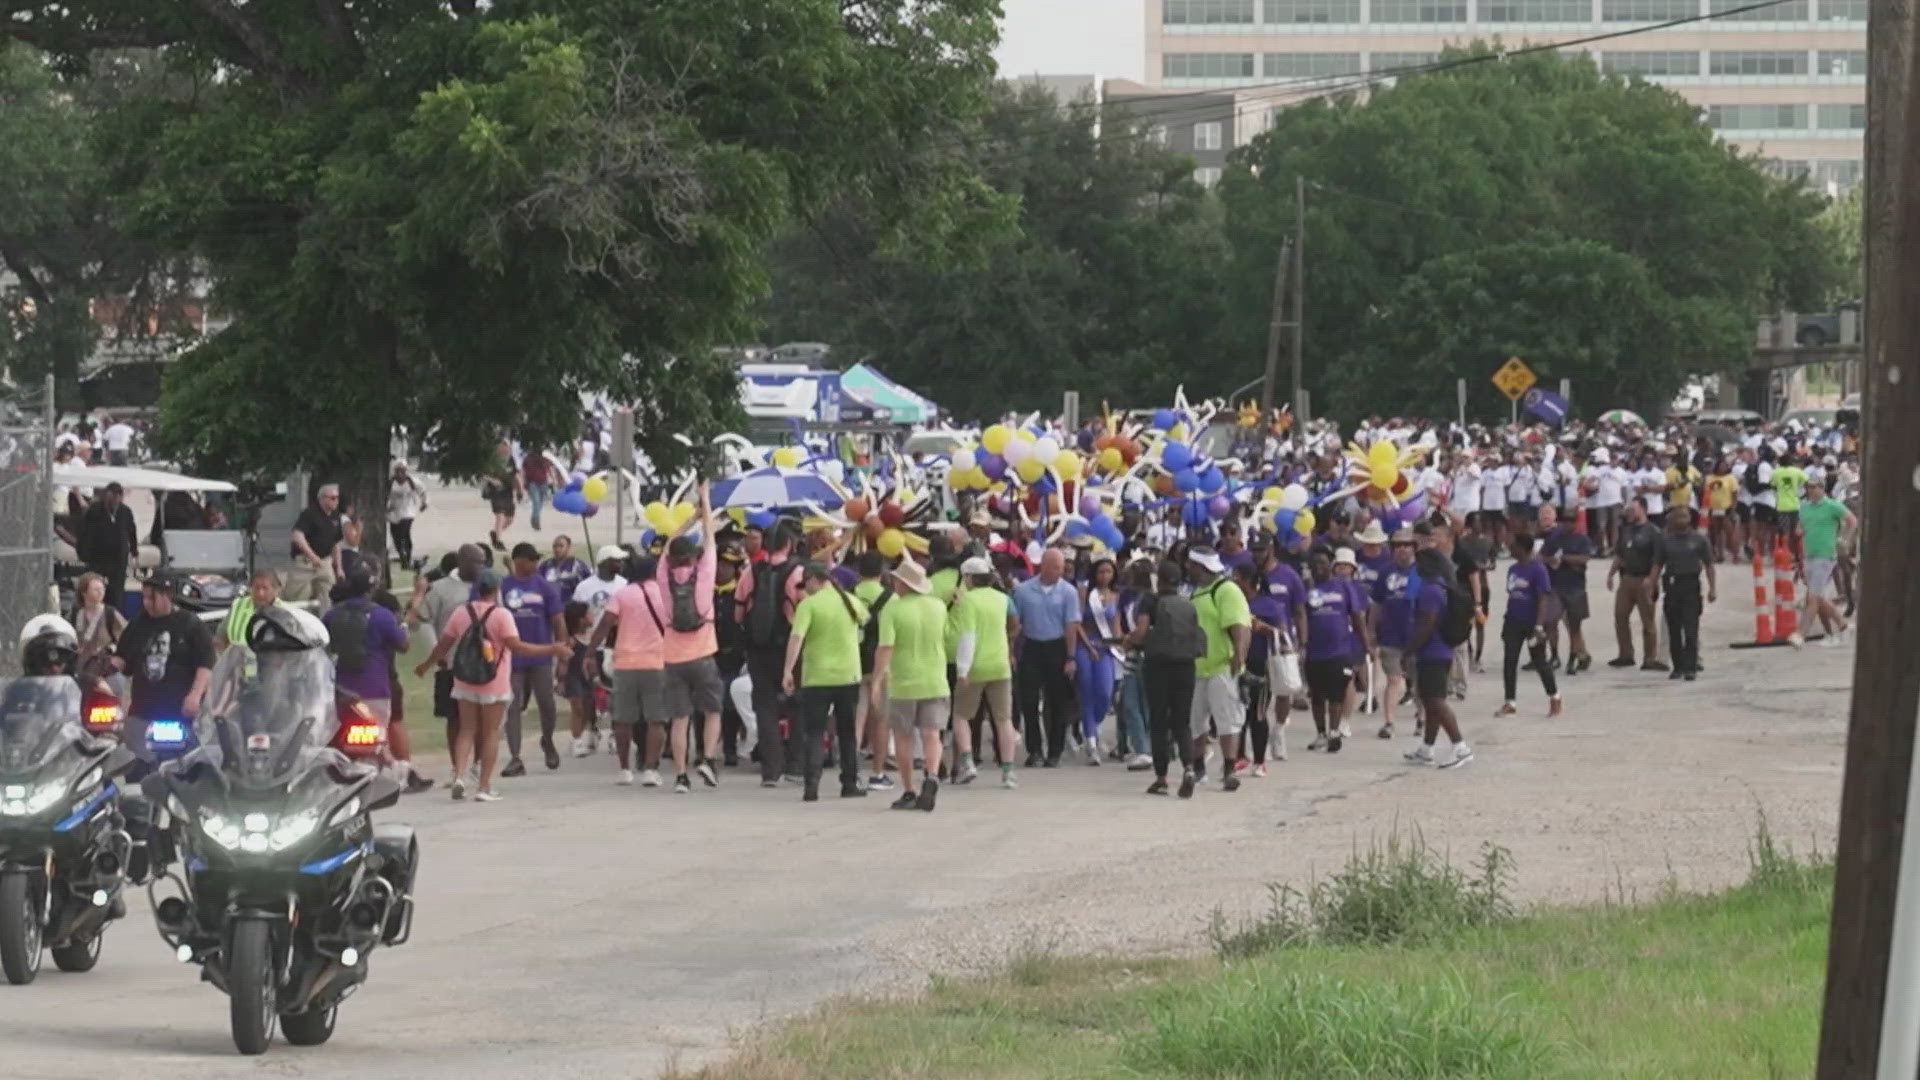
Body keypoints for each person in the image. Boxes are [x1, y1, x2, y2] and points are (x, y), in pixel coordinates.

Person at [415, 570, 569, 802]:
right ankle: (484, 786)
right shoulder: (501, 615)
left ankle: (459, 775)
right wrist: (552, 649)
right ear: (496, 591)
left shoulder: (461, 613)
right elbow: (518, 647)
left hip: (465, 679)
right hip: (493, 682)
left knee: (466, 729)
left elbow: (443, 645)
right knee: (490, 732)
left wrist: (426, 666)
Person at [656, 483, 726, 794]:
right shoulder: (705, 573)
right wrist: (706, 505)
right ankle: (708, 759)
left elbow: (670, 540)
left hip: (672, 656)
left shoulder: (663, 574)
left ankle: (681, 776)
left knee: (680, 718)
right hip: (703, 653)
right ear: (692, 558)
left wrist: (689, 519)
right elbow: (711, 536)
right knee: (712, 710)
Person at [781, 562, 870, 802]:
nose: (804, 589)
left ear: (814, 580)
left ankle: (812, 784)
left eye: (805, 584)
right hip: (848, 675)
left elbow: (797, 638)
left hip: (817, 678)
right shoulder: (851, 601)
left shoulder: (808, 605)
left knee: (815, 732)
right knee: (847, 732)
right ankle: (849, 782)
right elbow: (865, 623)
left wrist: (788, 670)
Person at [873, 560, 949, 811]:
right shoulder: (939, 607)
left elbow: (886, 647)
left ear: (904, 584)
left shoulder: (892, 610)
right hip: (935, 679)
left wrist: (877, 680)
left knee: (903, 736)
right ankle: (932, 776)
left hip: (904, 682)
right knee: (932, 734)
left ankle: (909, 790)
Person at [112, 572, 215, 758]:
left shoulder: (191, 625)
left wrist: (195, 695)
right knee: (134, 761)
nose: (146, 603)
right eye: (144, 597)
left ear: (167, 595)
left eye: (152, 598)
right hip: (143, 711)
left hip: (179, 712)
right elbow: (122, 659)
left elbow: (205, 664)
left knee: (183, 762)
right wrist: (103, 666)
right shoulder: (137, 625)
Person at [736, 520, 807, 785]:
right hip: (790, 647)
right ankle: (796, 766)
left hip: (758, 649)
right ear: (789, 544)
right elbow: (804, 611)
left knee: (764, 706)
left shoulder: (750, 572)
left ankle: (771, 770)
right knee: (795, 705)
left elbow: (738, 612)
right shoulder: (798, 573)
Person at [590, 554, 668, 786]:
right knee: (656, 720)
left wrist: (589, 652)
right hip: (656, 663)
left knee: (623, 720)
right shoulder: (664, 593)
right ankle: (651, 770)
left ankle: (624, 769)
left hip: (625, 663)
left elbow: (605, 624)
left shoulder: (622, 594)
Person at [1126, 559, 1202, 796]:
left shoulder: (1149, 600)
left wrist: (1130, 641)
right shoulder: (1187, 604)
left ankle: (1162, 778)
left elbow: (1140, 633)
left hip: (1158, 665)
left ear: (1159, 580)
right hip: (1186, 665)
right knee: (1182, 721)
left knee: (1158, 721)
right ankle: (1189, 767)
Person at [408, 545, 484, 775]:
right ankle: (456, 766)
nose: (480, 567)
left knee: (481, 716)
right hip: (450, 663)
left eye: (482, 562)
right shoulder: (440, 589)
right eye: (476, 562)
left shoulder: (487, 586)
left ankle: (478, 764)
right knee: (454, 718)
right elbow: (423, 621)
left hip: (482, 664)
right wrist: (435, 652)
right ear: (462, 562)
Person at [953, 555, 1021, 789]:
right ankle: (1009, 771)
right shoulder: (1003, 599)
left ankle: (968, 762)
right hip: (1000, 665)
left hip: (976, 667)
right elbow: (1014, 623)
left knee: (962, 716)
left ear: (970, 578)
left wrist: (963, 669)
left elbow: (967, 637)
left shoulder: (967, 601)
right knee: (1004, 720)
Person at [1186, 548, 1251, 792]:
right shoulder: (1197, 592)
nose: (1188, 569)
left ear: (1200, 566)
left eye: (1192, 565)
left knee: (1227, 723)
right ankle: (1199, 767)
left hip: (1223, 667)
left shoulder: (1226, 590)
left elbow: (1239, 626)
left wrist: (1238, 657)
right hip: (1198, 668)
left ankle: (1229, 769)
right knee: (1197, 723)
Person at [1010, 548, 1081, 768]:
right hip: (1032, 647)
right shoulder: (1023, 591)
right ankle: (1035, 749)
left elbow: (1071, 626)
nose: (1060, 571)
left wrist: (1070, 657)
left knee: (1057, 701)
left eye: (1061, 567)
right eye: (1056, 567)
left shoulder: (1068, 592)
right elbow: (1015, 624)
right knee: (1029, 702)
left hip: (1056, 647)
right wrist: (1011, 651)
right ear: (1044, 566)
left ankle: (1055, 751)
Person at [499, 542, 566, 775]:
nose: (536, 564)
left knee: (547, 703)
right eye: (531, 560)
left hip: (542, 656)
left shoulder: (544, 587)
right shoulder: (504, 587)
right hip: (512, 658)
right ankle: (515, 757)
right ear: (519, 561)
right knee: (513, 706)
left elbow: (558, 621)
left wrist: (562, 652)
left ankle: (547, 739)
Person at [1403, 548, 1473, 768]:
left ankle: (1460, 746)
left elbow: (1427, 623)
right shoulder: (1442, 587)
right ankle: (1427, 749)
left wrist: (1410, 650)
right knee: (1430, 700)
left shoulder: (1430, 591)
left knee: (1435, 701)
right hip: (1441, 650)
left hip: (1432, 651)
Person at [323, 570, 410, 736]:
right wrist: (403, 626)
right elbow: (403, 646)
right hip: (375, 689)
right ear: (371, 591)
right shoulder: (383, 615)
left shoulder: (331, 615)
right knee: (378, 739)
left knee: (338, 739)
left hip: (341, 692)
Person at [1302, 549, 1368, 754]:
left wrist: (1366, 645)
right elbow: (1300, 617)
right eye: (1315, 565)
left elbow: (1356, 617)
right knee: (1317, 696)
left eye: (1322, 564)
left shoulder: (1344, 587)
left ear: (1330, 565)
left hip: (1339, 650)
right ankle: (1320, 734)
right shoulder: (1307, 589)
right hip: (1314, 651)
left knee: (1336, 695)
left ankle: (1334, 733)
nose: (1319, 568)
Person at [1496, 534, 1563, 717]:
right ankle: (1510, 702)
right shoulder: (1513, 569)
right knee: (1510, 660)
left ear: (1524, 548)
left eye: (1514, 546)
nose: (1510, 549)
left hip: (1532, 621)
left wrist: (1539, 625)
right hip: (1513, 620)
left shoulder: (1538, 570)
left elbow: (1543, 598)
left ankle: (1554, 697)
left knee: (1540, 661)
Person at [1652, 506, 1716, 680]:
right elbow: (1657, 565)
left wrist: (1712, 588)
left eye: (1684, 516)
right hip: (1672, 586)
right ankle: (1678, 666)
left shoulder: (1699, 540)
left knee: (1690, 629)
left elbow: (1709, 564)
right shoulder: (1665, 541)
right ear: (1671, 520)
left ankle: (1691, 667)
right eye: (1677, 517)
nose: (1681, 519)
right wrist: (1652, 585)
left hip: (1691, 586)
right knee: (1674, 629)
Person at [1369, 529, 1420, 739]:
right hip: (1391, 634)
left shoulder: (1422, 572)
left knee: (1420, 681)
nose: (1402, 549)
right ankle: (1389, 722)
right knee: (1393, 679)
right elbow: (1376, 605)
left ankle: (1422, 719)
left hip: (1417, 635)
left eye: (1406, 545)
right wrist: (1371, 630)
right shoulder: (1385, 572)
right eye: (1397, 545)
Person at [852, 552, 895, 790]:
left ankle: (853, 771)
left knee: (856, 719)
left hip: (855, 662)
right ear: (882, 571)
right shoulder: (891, 598)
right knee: (881, 721)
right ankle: (877, 773)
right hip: (883, 664)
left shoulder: (850, 595)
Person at [1608, 498, 1666, 672]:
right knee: (1620, 615)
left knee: (1647, 621)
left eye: (1633, 509)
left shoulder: (1653, 532)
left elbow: (1658, 560)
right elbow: (1620, 554)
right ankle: (1625, 654)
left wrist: (1652, 580)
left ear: (1644, 509)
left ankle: (1650, 657)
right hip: (1627, 578)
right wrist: (1611, 574)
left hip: (1644, 579)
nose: (1630, 513)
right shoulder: (1626, 530)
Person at [1074, 558, 1122, 766]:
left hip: (1106, 648)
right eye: (1101, 572)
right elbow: (1077, 623)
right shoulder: (1085, 593)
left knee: (1105, 693)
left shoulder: (1115, 596)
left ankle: (1093, 726)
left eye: (1108, 572)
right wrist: (1089, 646)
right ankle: (1091, 744)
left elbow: (1116, 626)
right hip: (1085, 646)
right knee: (1087, 693)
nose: (1104, 576)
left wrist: (1120, 647)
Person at [1538, 506, 1593, 676]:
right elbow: (1541, 556)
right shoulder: (1554, 538)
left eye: (1571, 521)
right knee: (1550, 621)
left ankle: (1573, 657)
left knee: (1574, 626)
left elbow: (1585, 558)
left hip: (1575, 586)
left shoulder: (1582, 539)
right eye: (1565, 521)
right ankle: (1554, 654)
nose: (1568, 524)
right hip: (1556, 585)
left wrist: (1565, 558)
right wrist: (1551, 560)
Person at [1798, 479, 1855, 644]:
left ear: (1822, 489)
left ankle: (1801, 634)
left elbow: (1852, 520)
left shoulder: (1832, 506)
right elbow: (1800, 527)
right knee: (1819, 597)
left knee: (1814, 597)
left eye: (1814, 487)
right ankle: (1841, 627)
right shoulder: (1805, 508)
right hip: (1810, 555)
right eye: (1808, 488)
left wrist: (1844, 539)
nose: (1810, 491)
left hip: (1826, 555)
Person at [76, 482, 138, 611]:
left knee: (116, 593)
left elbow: (131, 532)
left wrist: (134, 551)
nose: (115, 499)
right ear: (106, 495)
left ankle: (114, 617)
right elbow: (84, 533)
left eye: (118, 496)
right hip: (98, 558)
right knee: (95, 589)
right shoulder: (94, 511)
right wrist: (83, 553)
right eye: (112, 495)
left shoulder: (125, 512)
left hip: (118, 560)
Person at [288, 483, 346, 603]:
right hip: (305, 562)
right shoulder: (310, 514)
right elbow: (297, 535)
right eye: (333, 498)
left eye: (337, 497)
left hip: (325, 562)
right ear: (322, 498)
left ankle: (326, 619)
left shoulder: (335, 516)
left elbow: (336, 543)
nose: (336, 501)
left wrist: (339, 567)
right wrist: (312, 556)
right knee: (299, 596)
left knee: (329, 595)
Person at [71, 572, 126, 678]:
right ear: (84, 592)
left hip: (105, 671)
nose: (101, 592)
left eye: (102, 589)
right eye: (96, 589)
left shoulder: (110, 613)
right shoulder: (76, 614)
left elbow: (126, 638)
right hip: (80, 670)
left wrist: (111, 649)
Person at [387, 462, 427, 569]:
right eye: (397, 471)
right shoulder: (390, 483)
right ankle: (402, 555)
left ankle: (407, 559)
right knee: (396, 538)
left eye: (402, 471)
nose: (400, 474)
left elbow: (422, 491)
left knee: (404, 534)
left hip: (408, 512)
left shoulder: (413, 482)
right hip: (394, 514)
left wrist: (424, 503)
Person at [483, 441, 523, 551]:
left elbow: (516, 475)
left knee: (509, 519)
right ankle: (498, 541)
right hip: (496, 491)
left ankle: (495, 533)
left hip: (508, 491)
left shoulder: (511, 460)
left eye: (508, 447)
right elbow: (484, 475)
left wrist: (520, 490)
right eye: (503, 446)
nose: (506, 449)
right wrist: (493, 481)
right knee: (500, 515)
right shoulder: (493, 460)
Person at [540, 535, 591, 601]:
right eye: (555, 546)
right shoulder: (546, 566)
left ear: (568, 547)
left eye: (561, 546)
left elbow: (587, 585)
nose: (557, 549)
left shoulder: (578, 566)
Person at [523, 449, 555, 532]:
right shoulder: (528, 459)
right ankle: (536, 521)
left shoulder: (544, 459)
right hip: (533, 483)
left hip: (543, 482)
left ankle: (534, 518)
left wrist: (553, 478)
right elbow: (523, 471)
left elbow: (549, 468)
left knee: (540, 503)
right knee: (537, 502)